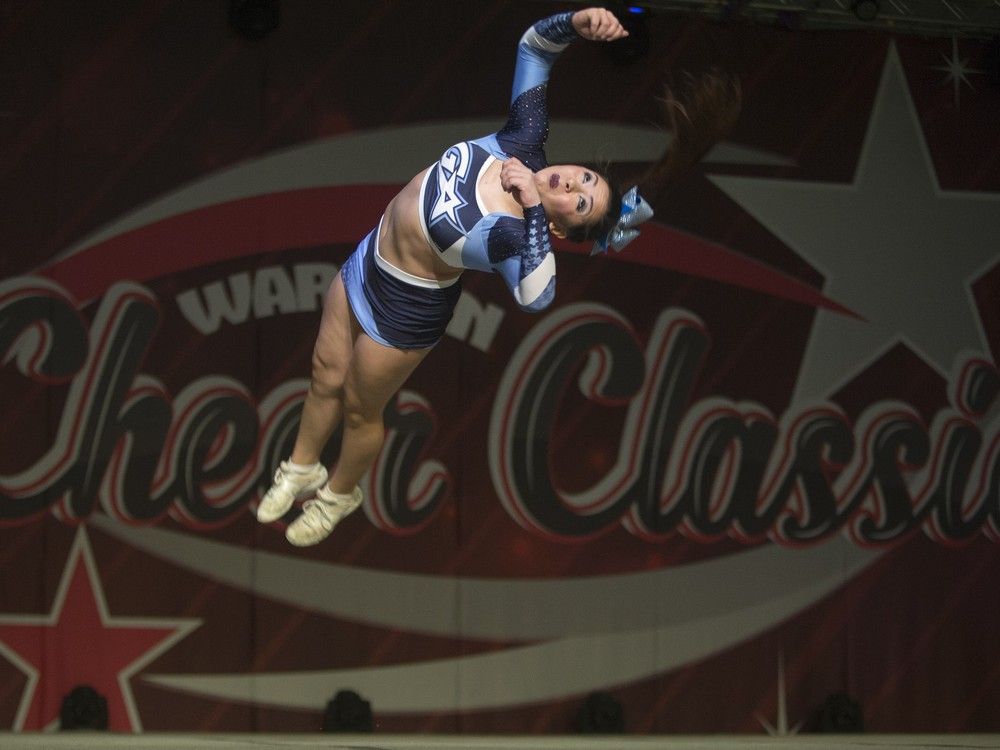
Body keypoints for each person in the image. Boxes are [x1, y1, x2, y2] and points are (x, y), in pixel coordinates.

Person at [256, 7, 740, 546]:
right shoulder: (523, 140)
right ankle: (301, 468)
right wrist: (576, 22)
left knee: (357, 407)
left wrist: (531, 206)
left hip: (404, 310)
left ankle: (338, 496)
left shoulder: (512, 237)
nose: (571, 184)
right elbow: (534, 48)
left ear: (558, 227)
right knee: (324, 375)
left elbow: (538, 295)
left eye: (580, 202)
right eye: (584, 177)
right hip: (369, 258)